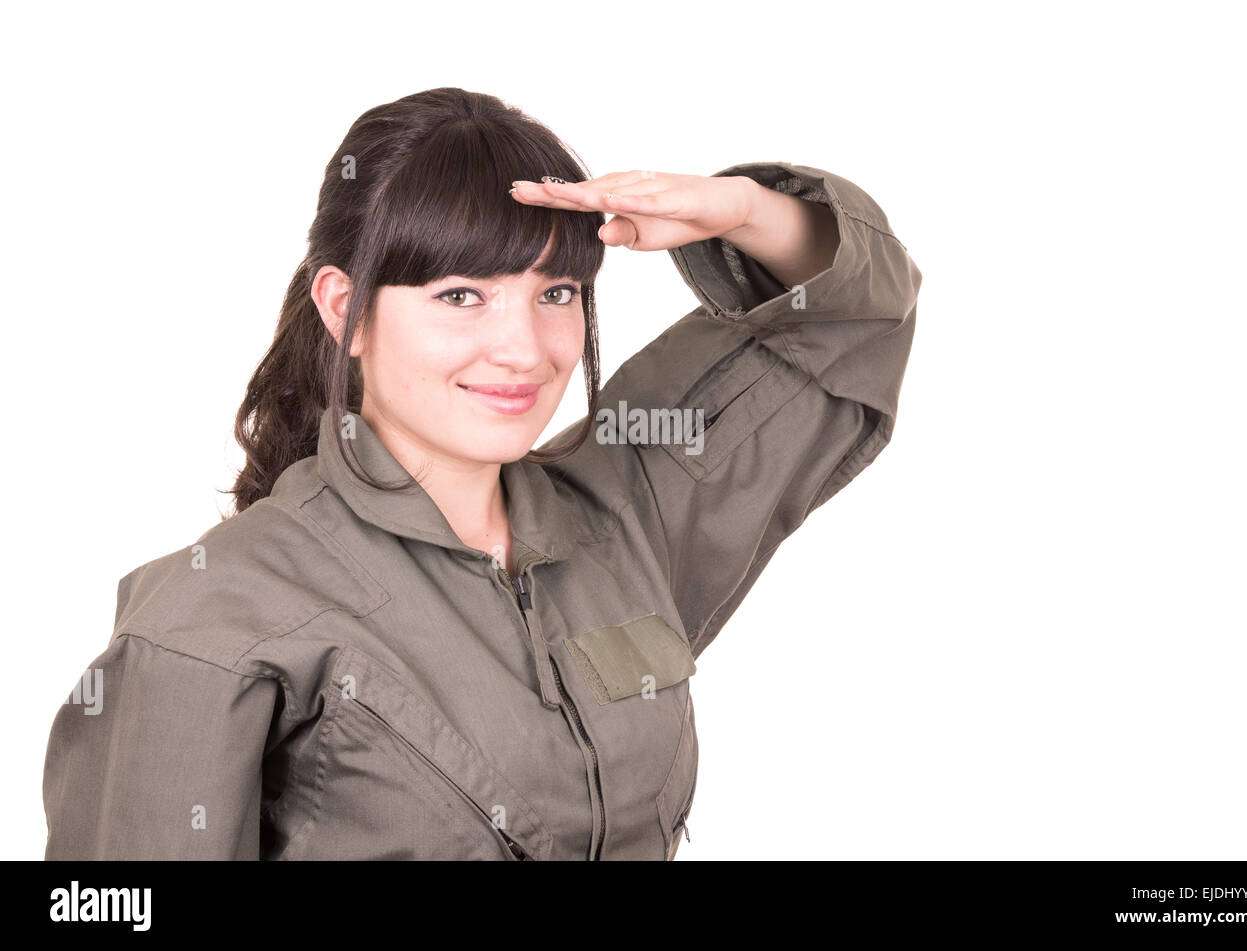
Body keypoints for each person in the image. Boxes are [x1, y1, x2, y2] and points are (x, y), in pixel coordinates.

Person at [42, 86, 922, 860]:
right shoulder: (212, 618)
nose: (524, 348)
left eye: (557, 292)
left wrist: (739, 209)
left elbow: (854, 317)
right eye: (461, 294)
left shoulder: (630, 505)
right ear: (344, 305)